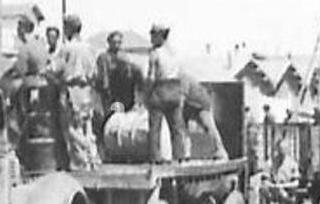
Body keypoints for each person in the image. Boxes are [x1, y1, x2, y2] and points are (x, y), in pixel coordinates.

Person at [48, 13, 100, 170]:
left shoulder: (67, 48)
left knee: (71, 128)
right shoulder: (90, 48)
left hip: (71, 90)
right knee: (87, 126)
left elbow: (55, 69)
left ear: (69, 28)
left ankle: (80, 163)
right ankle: (93, 159)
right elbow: (95, 73)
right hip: (87, 90)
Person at [145, 22, 188, 163]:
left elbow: (151, 76)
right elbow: (181, 73)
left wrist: (146, 93)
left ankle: (155, 158)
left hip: (160, 89)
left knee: (155, 127)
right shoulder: (175, 52)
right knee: (176, 126)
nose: (150, 37)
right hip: (175, 89)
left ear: (159, 36)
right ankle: (179, 156)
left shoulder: (155, 53)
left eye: (152, 34)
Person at [94, 29, 144, 121]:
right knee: (109, 117)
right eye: (114, 42)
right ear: (109, 42)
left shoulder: (125, 56)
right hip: (109, 94)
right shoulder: (104, 57)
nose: (116, 45)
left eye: (119, 42)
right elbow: (102, 77)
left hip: (124, 93)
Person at [179, 72, 230, 160]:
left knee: (210, 128)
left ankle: (221, 152)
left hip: (201, 104)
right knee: (183, 130)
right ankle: (185, 154)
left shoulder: (183, 77)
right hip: (188, 105)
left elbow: (182, 96)